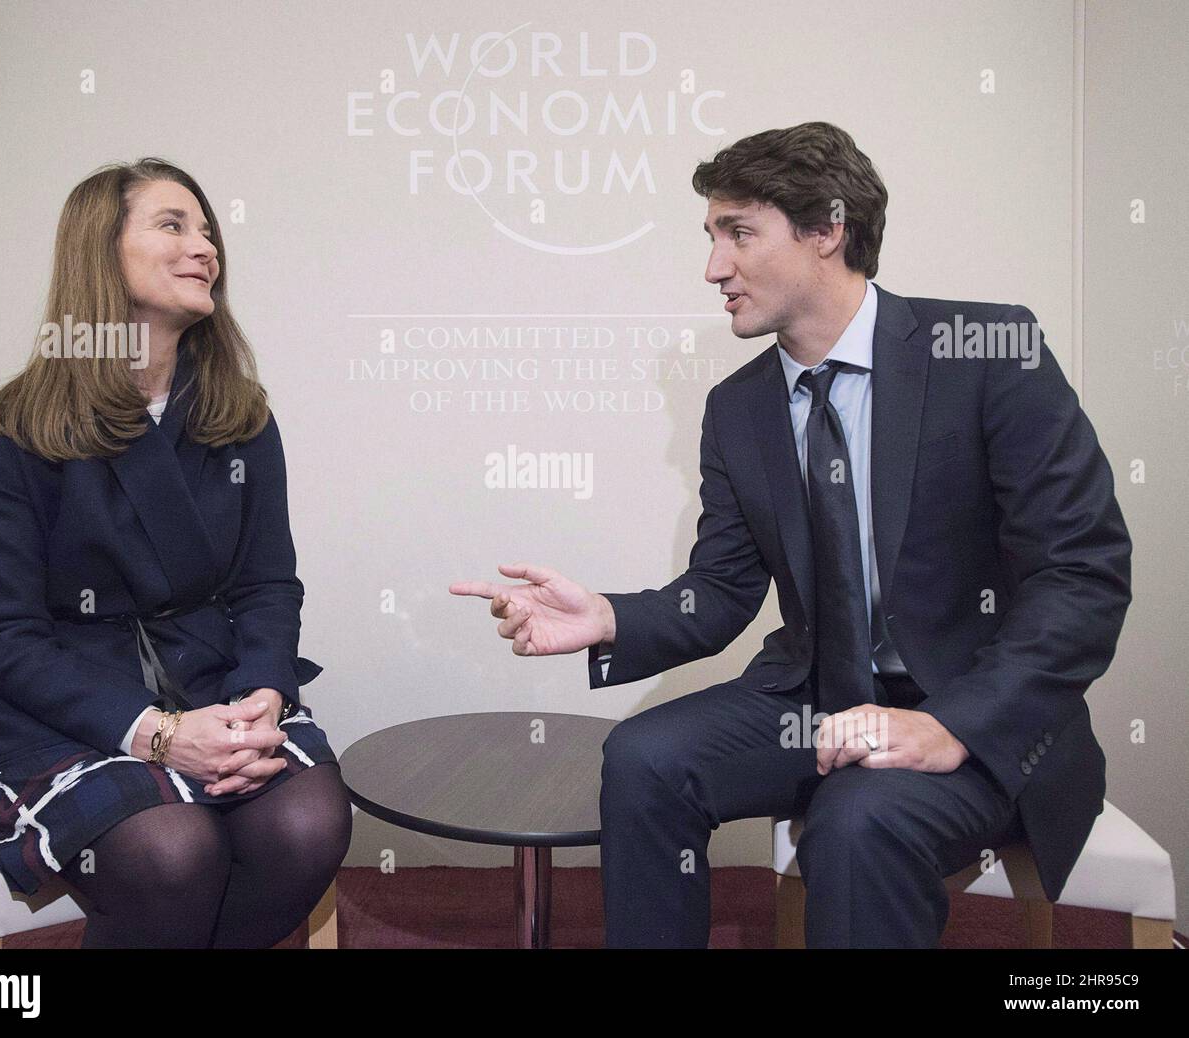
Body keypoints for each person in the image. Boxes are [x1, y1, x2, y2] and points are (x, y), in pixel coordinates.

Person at [451, 122, 1132, 948]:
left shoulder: (989, 353)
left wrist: (951, 724)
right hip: (816, 699)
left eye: (738, 232)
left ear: (827, 230)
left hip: (977, 702)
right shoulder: (738, 410)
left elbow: (1081, 575)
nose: (713, 267)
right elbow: (724, 590)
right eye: (710, 236)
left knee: (855, 823)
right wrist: (610, 618)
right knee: (644, 758)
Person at [0, 157, 351, 948]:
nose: (205, 248)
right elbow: (3, 636)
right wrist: (156, 735)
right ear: (101, 251)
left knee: (308, 822)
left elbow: (268, 584)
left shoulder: (241, 415)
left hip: (210, 681)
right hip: (55, 709)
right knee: (172, 850)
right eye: (173, 225)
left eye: (208, 232)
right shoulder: (13, 431)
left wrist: (263, 690)